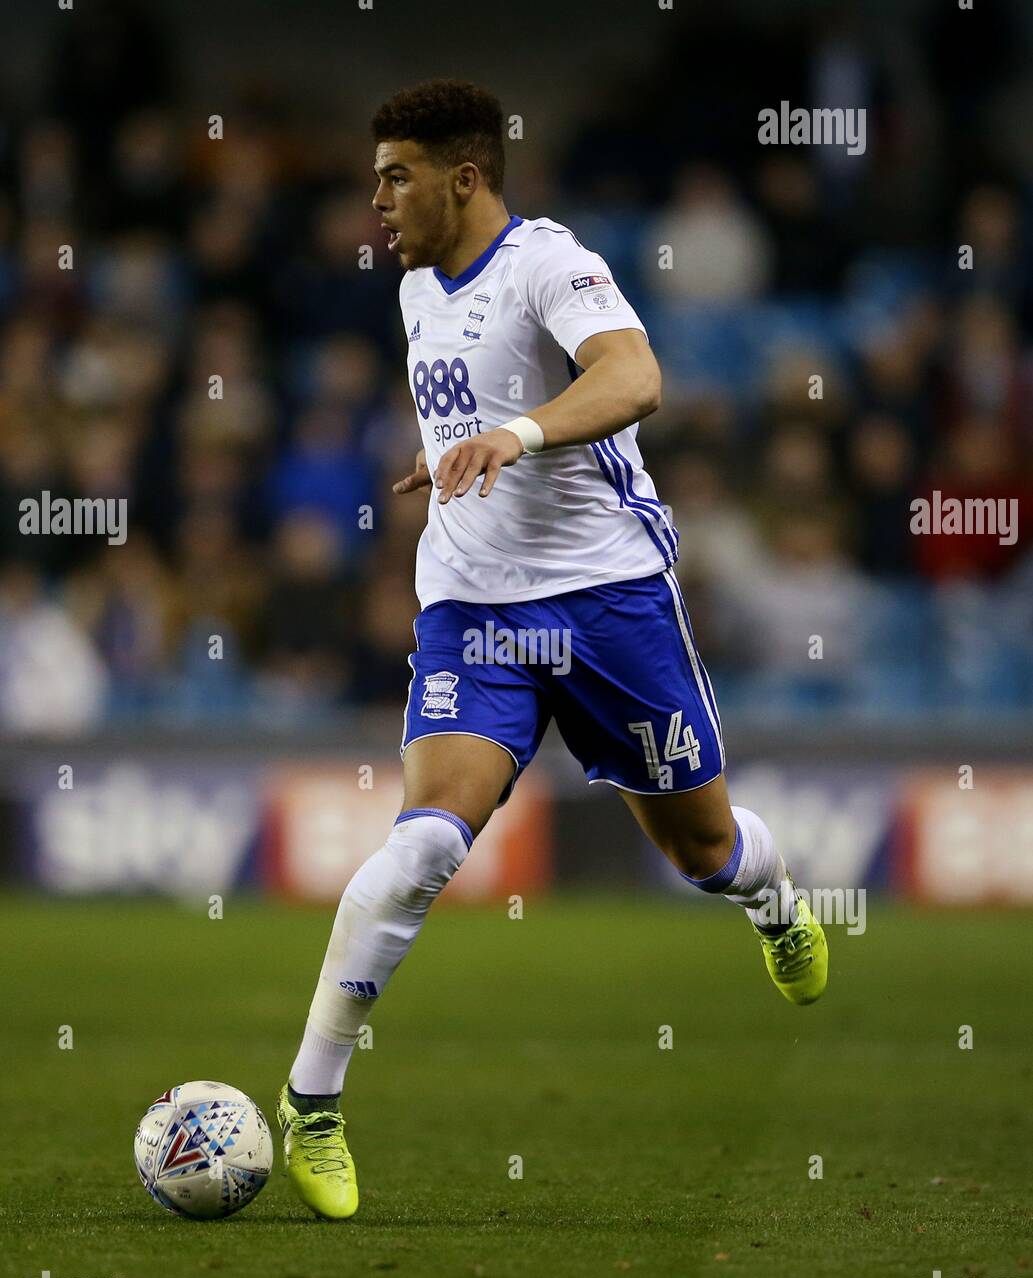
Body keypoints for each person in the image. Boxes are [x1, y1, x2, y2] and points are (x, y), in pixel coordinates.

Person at [277, 80, 827, 1220]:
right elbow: (466, 407)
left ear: (462, 179)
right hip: (471, 610)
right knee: (424, 846)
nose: (377, 200)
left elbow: (634, 378)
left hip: (608, 602)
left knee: (704, 850)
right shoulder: (415, 281)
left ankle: (770, 902)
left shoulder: (549, 261)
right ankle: (311, 1102)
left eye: (396, 176)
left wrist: (512, 436)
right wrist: (451, 458)